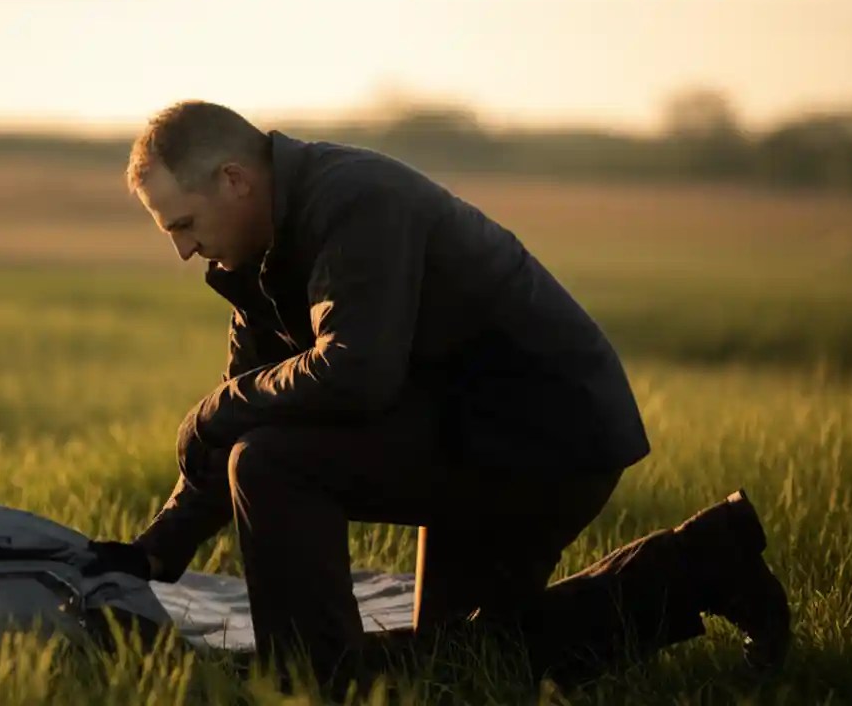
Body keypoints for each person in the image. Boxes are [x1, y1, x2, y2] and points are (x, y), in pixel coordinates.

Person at [84, 100, 789, 688]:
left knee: (268, 462)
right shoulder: (260, 254)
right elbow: (249, 403)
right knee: (464, 667)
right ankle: (703, 565)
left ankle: (309, 684)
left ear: (234, 179)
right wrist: (155, 553)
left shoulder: (354, 200)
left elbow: (356, 371)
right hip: (467, 434)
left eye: (182, 225)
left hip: (544, 438)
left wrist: (217, 411)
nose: (181, 249)